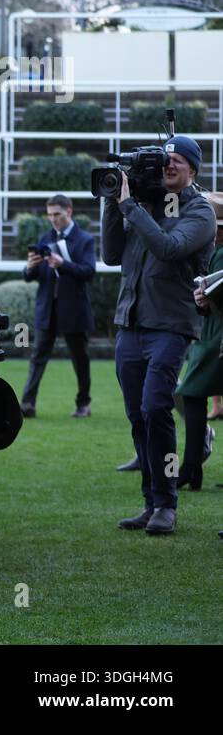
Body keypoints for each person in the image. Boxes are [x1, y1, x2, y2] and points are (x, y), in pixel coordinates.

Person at [104, 135, 215, 536]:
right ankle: (151, 500)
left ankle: (167, 502)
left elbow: (169, 248)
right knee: (137, 416)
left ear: (192, 169)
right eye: (164, 160)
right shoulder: (144, 204)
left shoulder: (199, 211)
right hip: (130, 323)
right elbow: (111, 255)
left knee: (155, 408)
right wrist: (112, 201)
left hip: (171, 325)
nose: (168, 166)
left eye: (177, 161)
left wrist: (130, 207)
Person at [20, 194, 96, 418]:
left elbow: (89, 272)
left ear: (69, 212)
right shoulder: (45, 237)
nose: (53, 219)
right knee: (37, 358)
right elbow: (30, 276)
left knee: (80, 359)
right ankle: (27, 404)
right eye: (50, 215)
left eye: (57, 215)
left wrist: (64, 264)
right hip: (47, 309)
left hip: (74, 309)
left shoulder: (84, 239)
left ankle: (83, 404)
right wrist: (30, 267)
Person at [176, 192, 223, 491]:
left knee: (189, 393)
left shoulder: (219, 249)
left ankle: (191, 466)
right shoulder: (214, 248)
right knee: (190, 394)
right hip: (213, 331)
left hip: (217, 335)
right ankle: (191, 466)